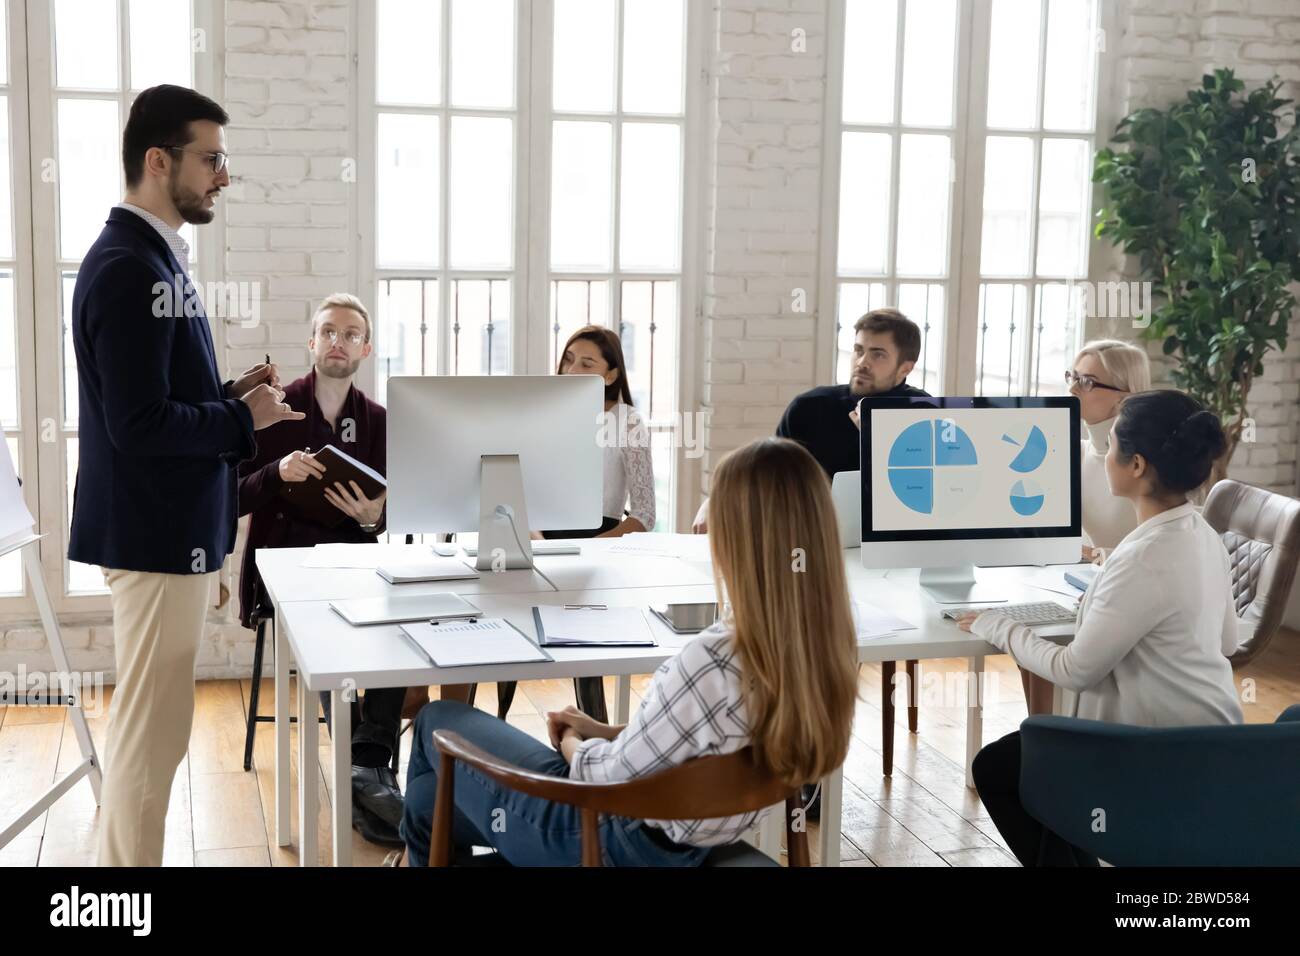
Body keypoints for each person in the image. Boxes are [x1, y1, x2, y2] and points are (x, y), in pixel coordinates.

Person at [400, 437, 859, 866]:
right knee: (423, 804)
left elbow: (605, 780)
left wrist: (573, 741)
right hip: (690, 839)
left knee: (436, 719)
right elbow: (700, 742)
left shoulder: (715, 660)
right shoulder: (821, 647)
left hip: (607, 836)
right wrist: (604, 729)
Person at [70, 85, 303, 866]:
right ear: (157, 160)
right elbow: (137, 429)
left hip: (166, 533)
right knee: (150, 741)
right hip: (154, 535)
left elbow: (155, 402)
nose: (222, 178)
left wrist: (229, 394)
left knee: (149, 734)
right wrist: (248, 422)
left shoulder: (147, 257)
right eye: (211, 159)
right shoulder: (129, 269)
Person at [958, 390, 1242, 866]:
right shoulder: (1200, 534)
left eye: (1110, 444)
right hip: (1213, 743)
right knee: (1029, 760)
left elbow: (1074, 670)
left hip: (1151, 753)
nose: (1103, 454)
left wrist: (999, 625)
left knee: (997, 767)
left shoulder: (1144, 556)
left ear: (1135, 466)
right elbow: (1227, 641)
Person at [236, 293, 413, 847]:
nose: (339, 341)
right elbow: (230, 497)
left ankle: (362, 761)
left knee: (404, 610)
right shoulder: (273, 411)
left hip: (356, 562)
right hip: (286, 569)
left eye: (351, 333)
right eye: (328, 332)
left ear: (366, 348)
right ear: (312, 343)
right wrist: (276, 473)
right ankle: (369, 765)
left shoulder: (381, 421)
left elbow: (392, 512)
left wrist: (371, 521)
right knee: (320, 624)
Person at [497, 326, 656, 723]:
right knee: (499, 622)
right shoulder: (540, 416)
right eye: (569, 359)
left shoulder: (628, 422)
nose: (572, 369)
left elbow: (645, 514)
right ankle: (480, 729)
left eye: (586, 363)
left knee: (585, 653)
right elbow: (518, 490)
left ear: (611, 375)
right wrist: (535, 540)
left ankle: (594, 729)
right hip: (538, 540)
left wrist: (595, 547)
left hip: (598, 544)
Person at [692, 308, 929, 531]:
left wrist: (876, 440)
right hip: (814, 542)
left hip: (897, 544)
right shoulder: (810, 407)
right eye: (858, 349)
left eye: (877, 354)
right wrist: (716, 501)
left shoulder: (924, 414)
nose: (861, 362)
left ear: (905, 368)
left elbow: (927, 500)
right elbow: (770, 477)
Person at [1019, 339, 1154, 715]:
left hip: (1124, 601)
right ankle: (1042, 728)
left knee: (1030, 632)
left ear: (1124, 396)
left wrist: (1095, 556)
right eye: (1073, 377)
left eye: (1088, 382)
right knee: (1025, 621)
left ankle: (1048, 732)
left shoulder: (1143, 470)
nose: (1073, 389)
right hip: (1081, 583)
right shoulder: (1076, 452)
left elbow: (1146, 556)